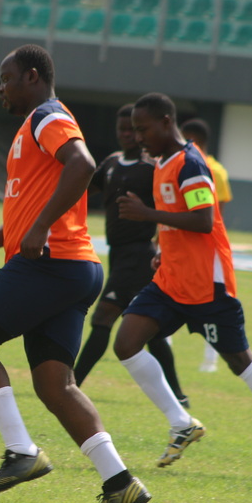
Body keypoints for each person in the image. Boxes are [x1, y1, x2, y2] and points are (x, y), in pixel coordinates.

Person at [0, 44, 150, 503]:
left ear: (32, 76)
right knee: (56, 385)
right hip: (74, 268)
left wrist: (39, 230)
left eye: (7, 77)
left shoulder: (47, 117)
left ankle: (22, 451)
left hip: (51, 264)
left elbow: (82, 164)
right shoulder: (31, 126)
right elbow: (27, 207)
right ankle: (120, 482)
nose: (0, 87)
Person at [115, 92, 252, 480]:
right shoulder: (162, 162)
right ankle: (181, 422)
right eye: (134, 130)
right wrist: (161, 247)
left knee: (240, 361)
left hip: (208, 283)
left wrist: (146, 213)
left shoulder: (190, 164)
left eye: (144, 129)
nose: (138, 137)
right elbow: (177, 219)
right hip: (171, 279)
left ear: (167, 122)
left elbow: (204, 220)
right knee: (126, 343)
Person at [72, 103, 189, 408]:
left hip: (139, 254)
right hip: (120, 256)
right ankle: (178, 393)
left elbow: (171, 204)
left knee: (103, 318)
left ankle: (72, 384)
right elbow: (83, 190)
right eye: (122, 129)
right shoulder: (111, 163)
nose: (128, 135)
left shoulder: (153, 167)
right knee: (149, 330)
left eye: (133, 129)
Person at [180, 118, 233, 373]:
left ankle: (211, 359)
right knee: (169, 293)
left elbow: (215, 215)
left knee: (211, 303)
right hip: (179, 245)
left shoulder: (214, 170)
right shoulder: (182, 164)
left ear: (193, 139)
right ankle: (161, 347)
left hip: (206, 248)